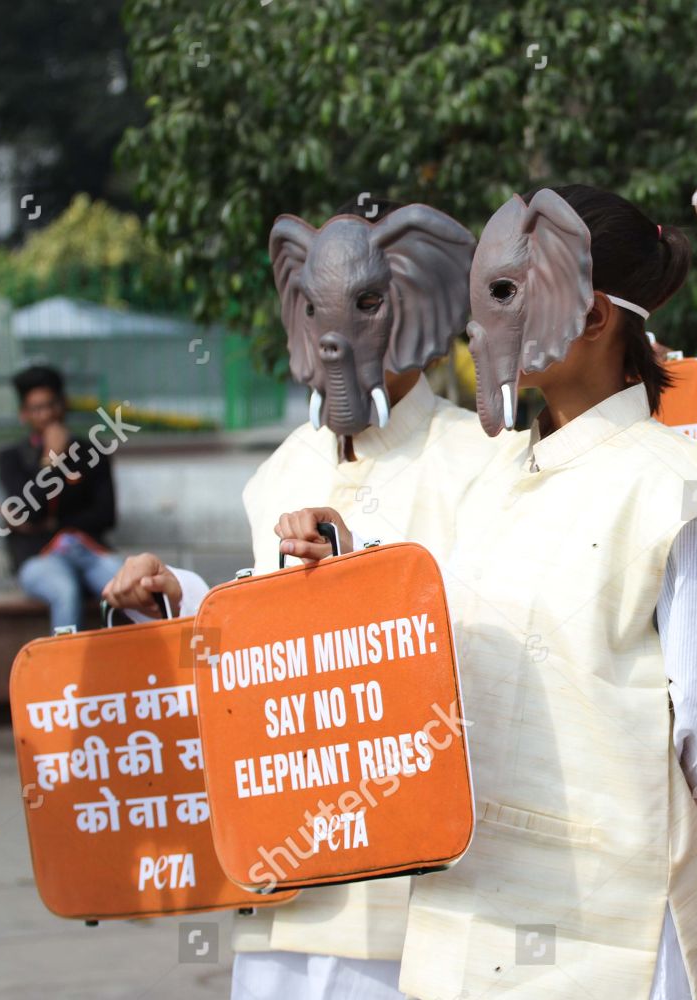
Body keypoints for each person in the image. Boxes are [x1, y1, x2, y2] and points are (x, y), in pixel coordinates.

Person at [274, 184, 697, 1000]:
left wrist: (604, 786)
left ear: (595, 315)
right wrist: (350, 555)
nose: (477, 323)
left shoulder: (679, 484)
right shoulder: (496, 473)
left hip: (614, 906)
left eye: (504, 295)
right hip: (473, 893)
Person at [104, 195, 495, 1000]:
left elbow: (489, 634)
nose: (336, 337)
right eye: (318, 311)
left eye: (363, 307)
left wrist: (356, 566)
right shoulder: (280, 470)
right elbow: (260, 624)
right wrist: (174, 595)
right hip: (288, 862)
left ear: (417, 306)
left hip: (416, 876)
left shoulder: (481, 462)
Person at [0, 365, 123, 631]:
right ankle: (65, 672)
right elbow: (29, 510)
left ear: (63, 405)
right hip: (38, 556)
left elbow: (106, 515)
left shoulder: (91, 453)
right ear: (24, 414)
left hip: (89, 550)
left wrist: (54, 525)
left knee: (128, 585)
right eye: (37, 408)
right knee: (65, 591)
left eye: (52, 405)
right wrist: (50, 461)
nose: (47, 415)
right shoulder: (12, 458)